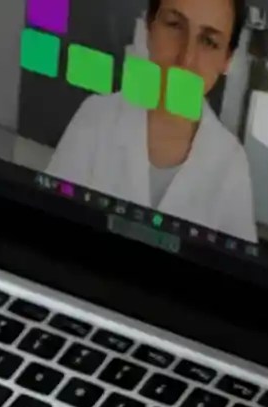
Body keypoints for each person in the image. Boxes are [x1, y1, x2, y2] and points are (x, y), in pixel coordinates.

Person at [45, 0, 257, 242]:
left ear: (226, 59)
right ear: (150, 27)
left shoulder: (231, 163)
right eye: (175, 25)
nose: (186, 59)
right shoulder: (96, 117)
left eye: (208, 41)